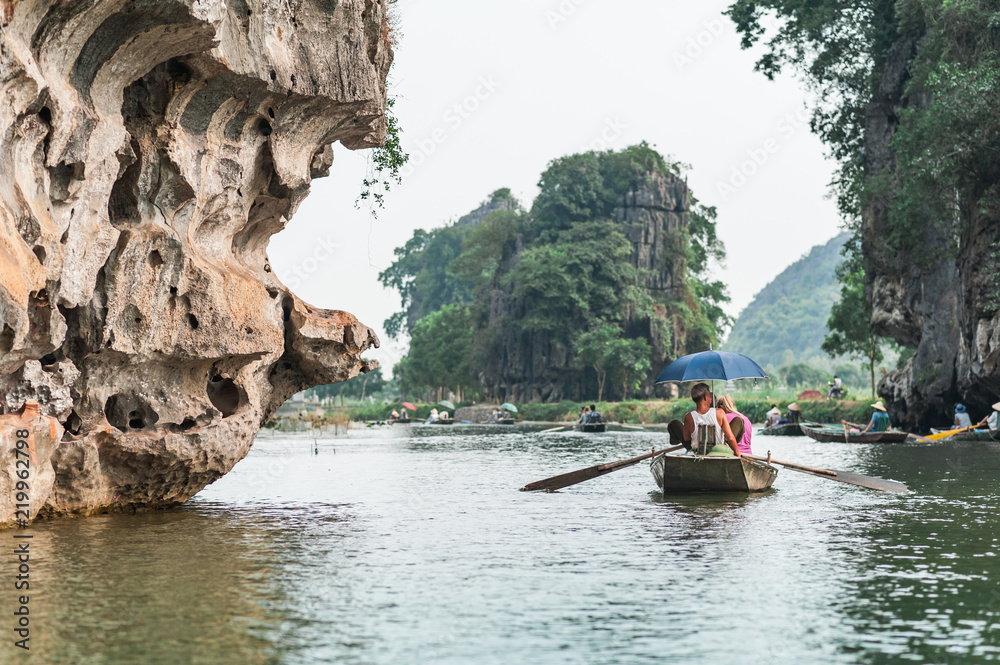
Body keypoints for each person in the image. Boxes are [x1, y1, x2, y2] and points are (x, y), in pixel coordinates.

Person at [679, 383, 741, 457]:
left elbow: (686, 438)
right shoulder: (720, 413)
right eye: (709, 394)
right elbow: (730, 438)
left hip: (698, 454)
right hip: (718, 453)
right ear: (705, 397)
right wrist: (737, 453)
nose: (711, 397)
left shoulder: (688, 417)